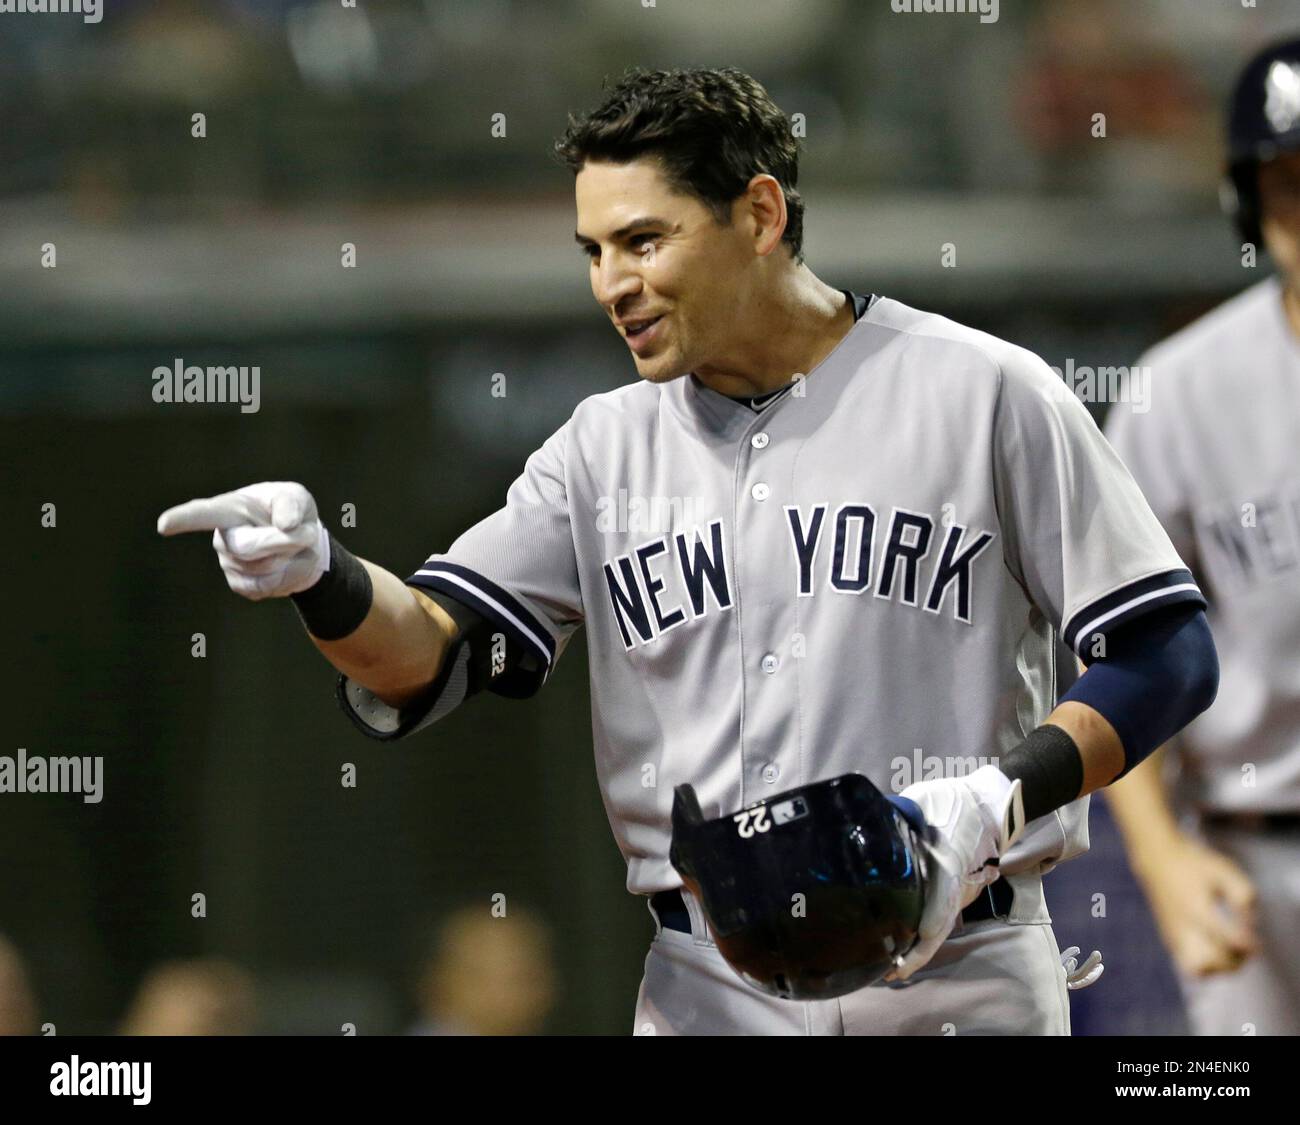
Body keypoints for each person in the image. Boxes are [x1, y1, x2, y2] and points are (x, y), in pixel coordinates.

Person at [159, 66, 1218, 1035]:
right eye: (593, 250)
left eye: (644, 240)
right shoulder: (601, 449)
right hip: (707, 983)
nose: (610, 282)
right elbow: (427, 656)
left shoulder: (984, 392)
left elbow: (1165, 652)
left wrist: (997, 797)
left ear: (758, 214)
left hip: (959, 965)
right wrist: (322, 578)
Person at [1103, 37, 1300, 1037]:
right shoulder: (1178, 395)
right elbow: (1120, 655)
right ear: (1245, 201)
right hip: (1251, 859)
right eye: (1288, 181)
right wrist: (1160, 860)